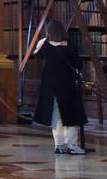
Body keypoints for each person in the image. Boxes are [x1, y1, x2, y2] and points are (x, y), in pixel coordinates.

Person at [33, 20, 87, 155]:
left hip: (50, 86)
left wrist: (46, 41)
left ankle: (59, 145)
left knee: (55, 116)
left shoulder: (44, 44)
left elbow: (37, 55)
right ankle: (72, 145)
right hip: (66, 84)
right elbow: (78, 64)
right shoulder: (69, 45)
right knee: (71, 115)